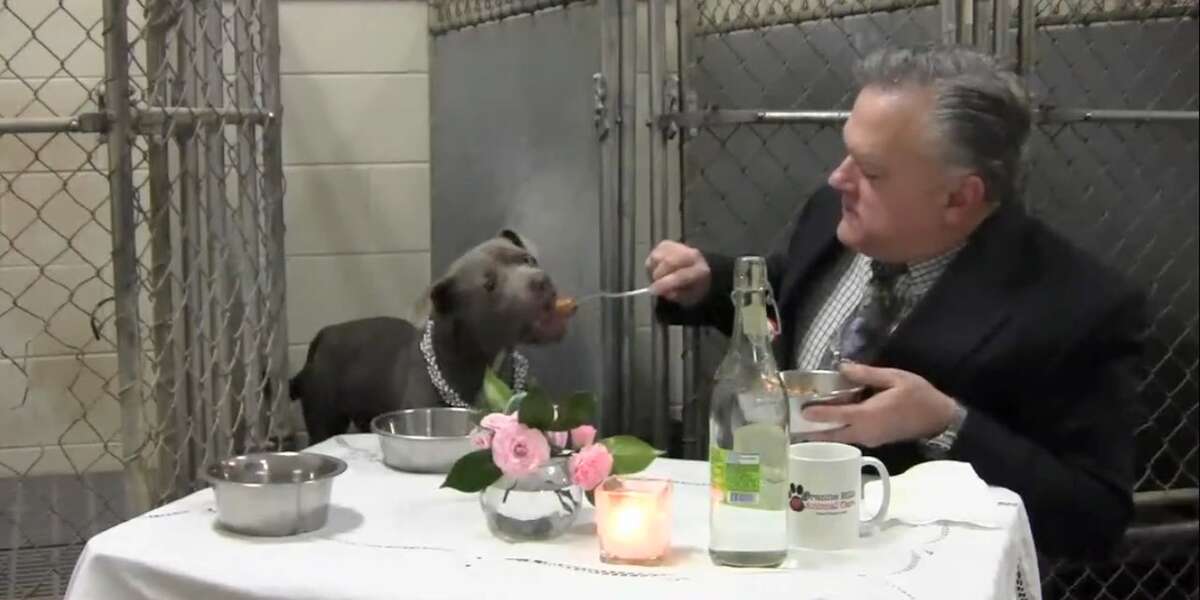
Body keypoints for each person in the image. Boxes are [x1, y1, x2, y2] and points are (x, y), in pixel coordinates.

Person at [646, 44, 1145, 561]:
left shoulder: (1078, 306)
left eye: (871, 169)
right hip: (775, 545)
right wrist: (714, 284)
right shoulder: (832, 216)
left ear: (959, 197)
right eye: (847, 152)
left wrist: (946, 425)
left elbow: (1093, 518)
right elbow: (789, 300)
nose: (838, 178)